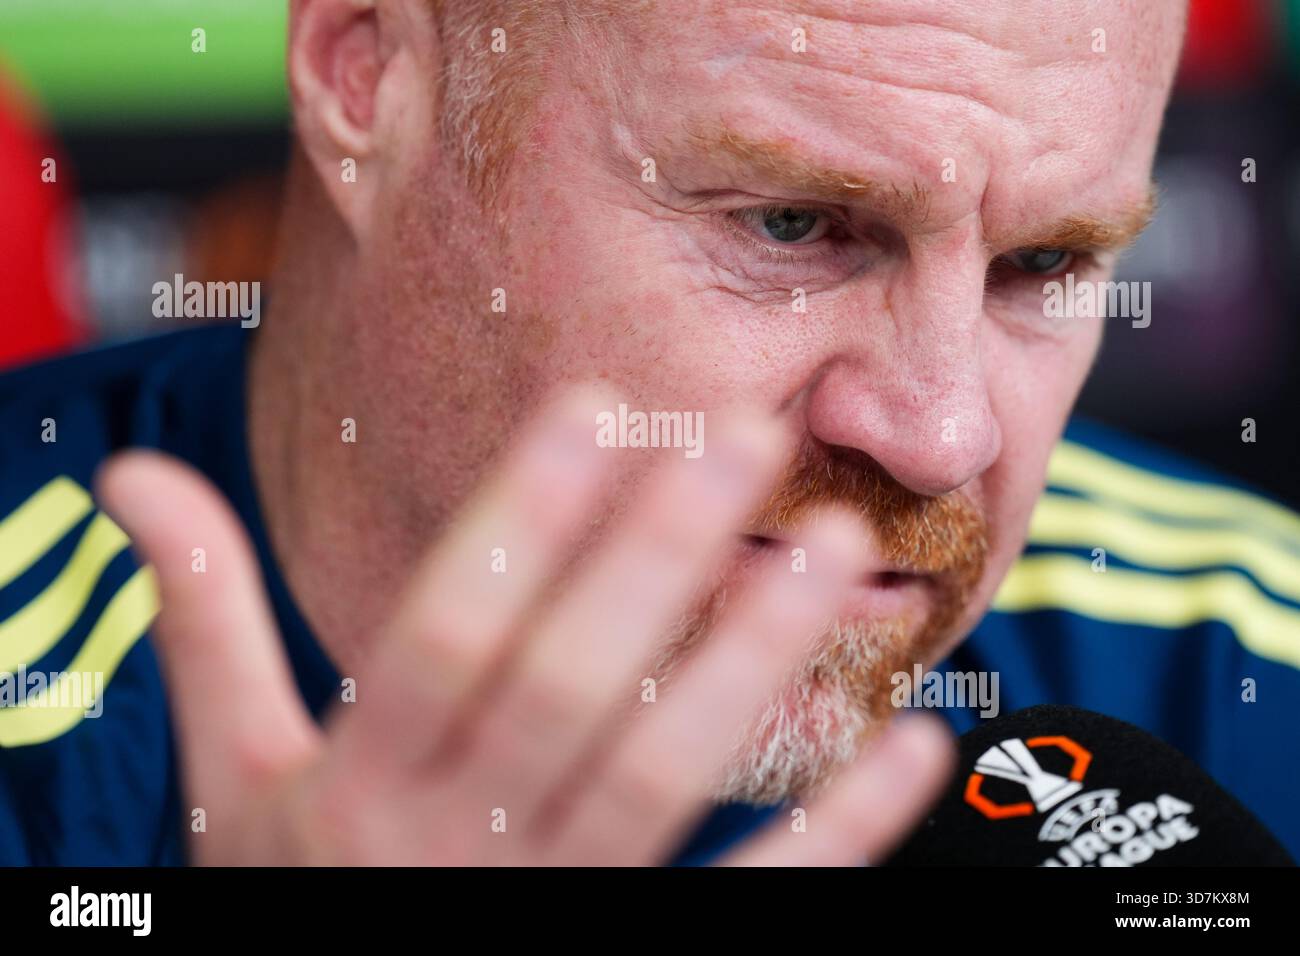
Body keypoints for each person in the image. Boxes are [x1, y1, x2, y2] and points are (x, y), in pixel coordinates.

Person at [2, 0, 1295, 866]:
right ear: (370, 74)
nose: (940, 433)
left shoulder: (1241, 666)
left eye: (1048, 262)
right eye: (791, 225)